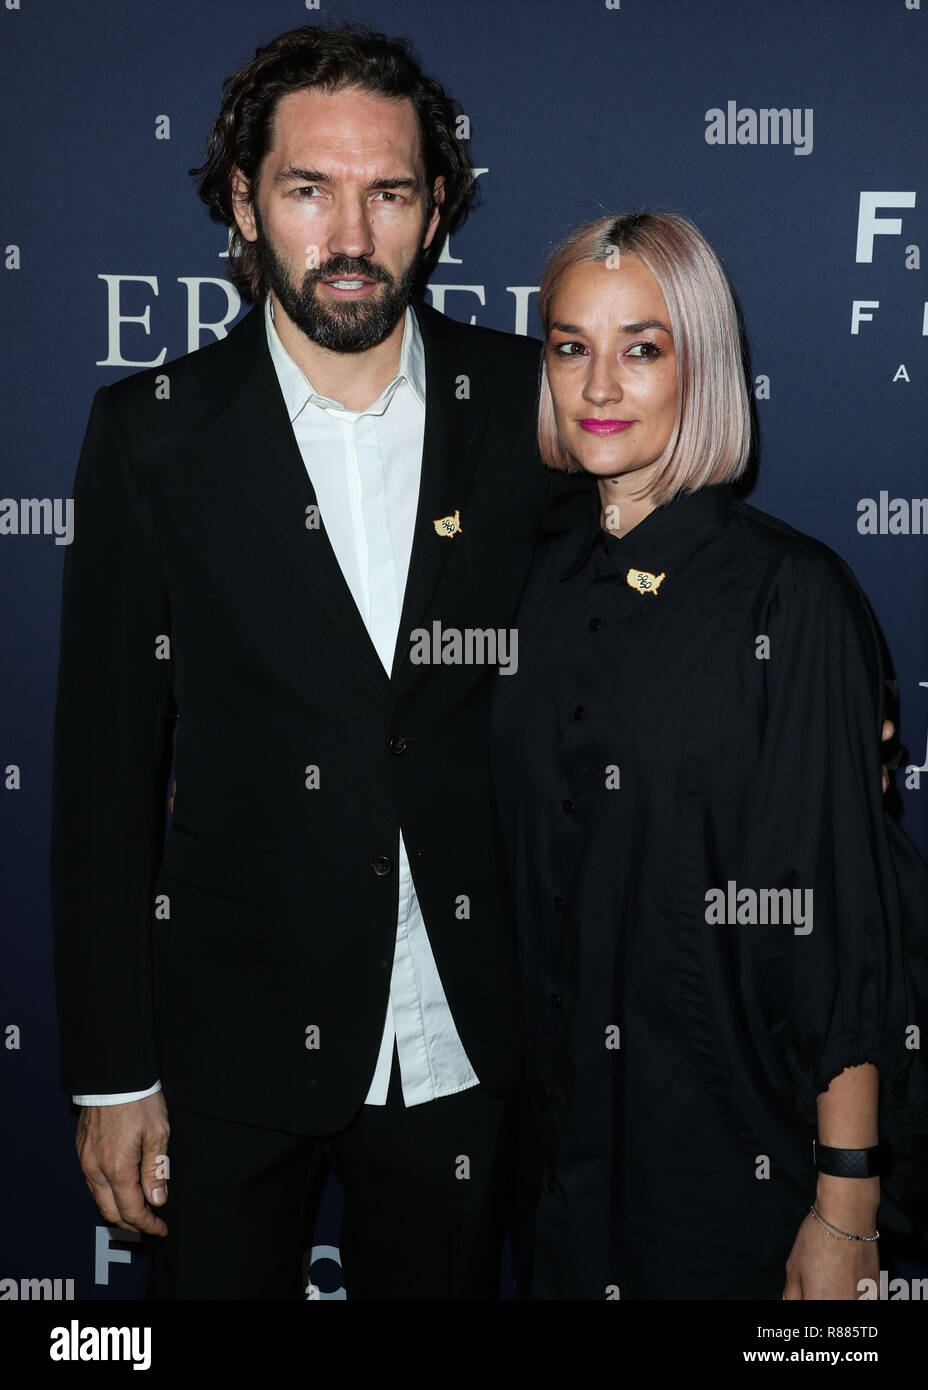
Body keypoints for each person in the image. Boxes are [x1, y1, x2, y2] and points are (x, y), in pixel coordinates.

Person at [49, 23, 584, 1300]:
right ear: (245, 200)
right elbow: (103, 777)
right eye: (308, 189)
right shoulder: (152, 437)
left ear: (435, 206)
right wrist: (115, 1073)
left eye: (389, 191)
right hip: (228, 1041)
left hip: (464, 1030)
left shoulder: (531, 409)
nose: (351, 233)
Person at [490, 211, 927, 1300]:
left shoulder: (794, 598)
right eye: (568, 345)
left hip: (735, 1171)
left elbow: (841, 928)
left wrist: (845, 1206)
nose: (598, 384)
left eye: (642, 349)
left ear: (706, 367)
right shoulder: (524, 579)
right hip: (547, 1173)